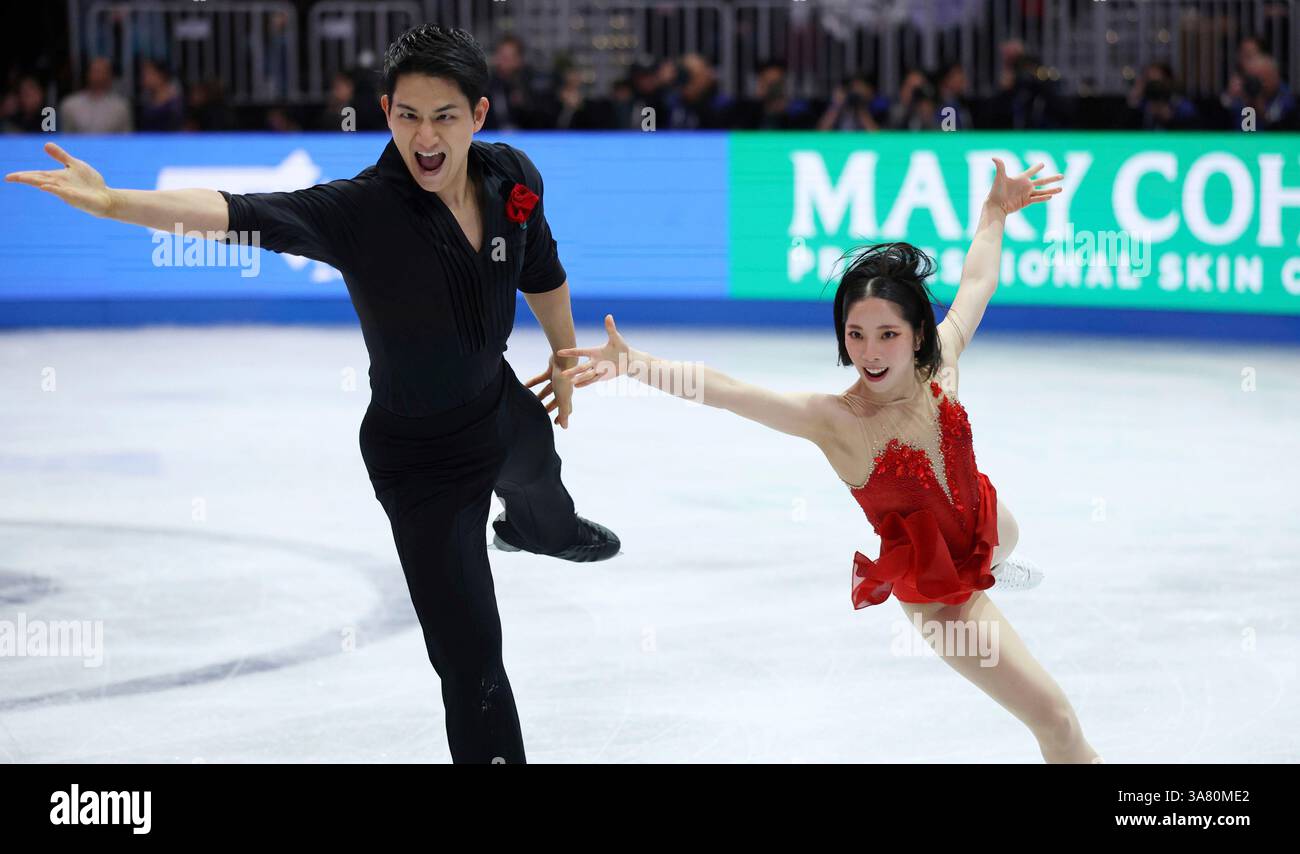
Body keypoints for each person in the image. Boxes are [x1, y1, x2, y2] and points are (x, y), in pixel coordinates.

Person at [5, 23, 619, 764]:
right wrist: (114, 205)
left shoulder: (511, 178)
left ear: (479, 116)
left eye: (444, 117)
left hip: (494, 404)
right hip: (421, 461)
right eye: (407, 116)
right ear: (387, 110)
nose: (424, 137)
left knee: (538, 470)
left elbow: (542, 270)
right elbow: (239, 212)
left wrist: (562, 356)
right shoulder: (363, 211)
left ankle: (538, 530)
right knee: (473, 663)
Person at [554, 159, 1103, 763]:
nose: (869, 352)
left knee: (1007, 535)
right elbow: (728, 389)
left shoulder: (941, 361)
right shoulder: (837, 421)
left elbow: (976, 282)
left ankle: (999, 563)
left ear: (918, 334)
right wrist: (636, 365)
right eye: (855, 333)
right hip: (938, 592)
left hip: (987, 528)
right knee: (1055, 719)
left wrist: (994, 213)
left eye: (887, 334)